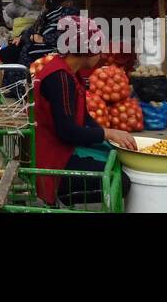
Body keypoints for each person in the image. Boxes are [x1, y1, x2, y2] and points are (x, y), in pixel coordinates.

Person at [33, 14, 136, 207]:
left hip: (60, 150)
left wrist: (112, 138)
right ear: (86, 50)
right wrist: (108, 132)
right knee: (121, 181)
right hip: (52, 161)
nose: (101, 55)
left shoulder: (70, 74)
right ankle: (62, 196)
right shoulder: (60, 78)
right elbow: (68, 131)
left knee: (114, 155)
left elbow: (85, 119)